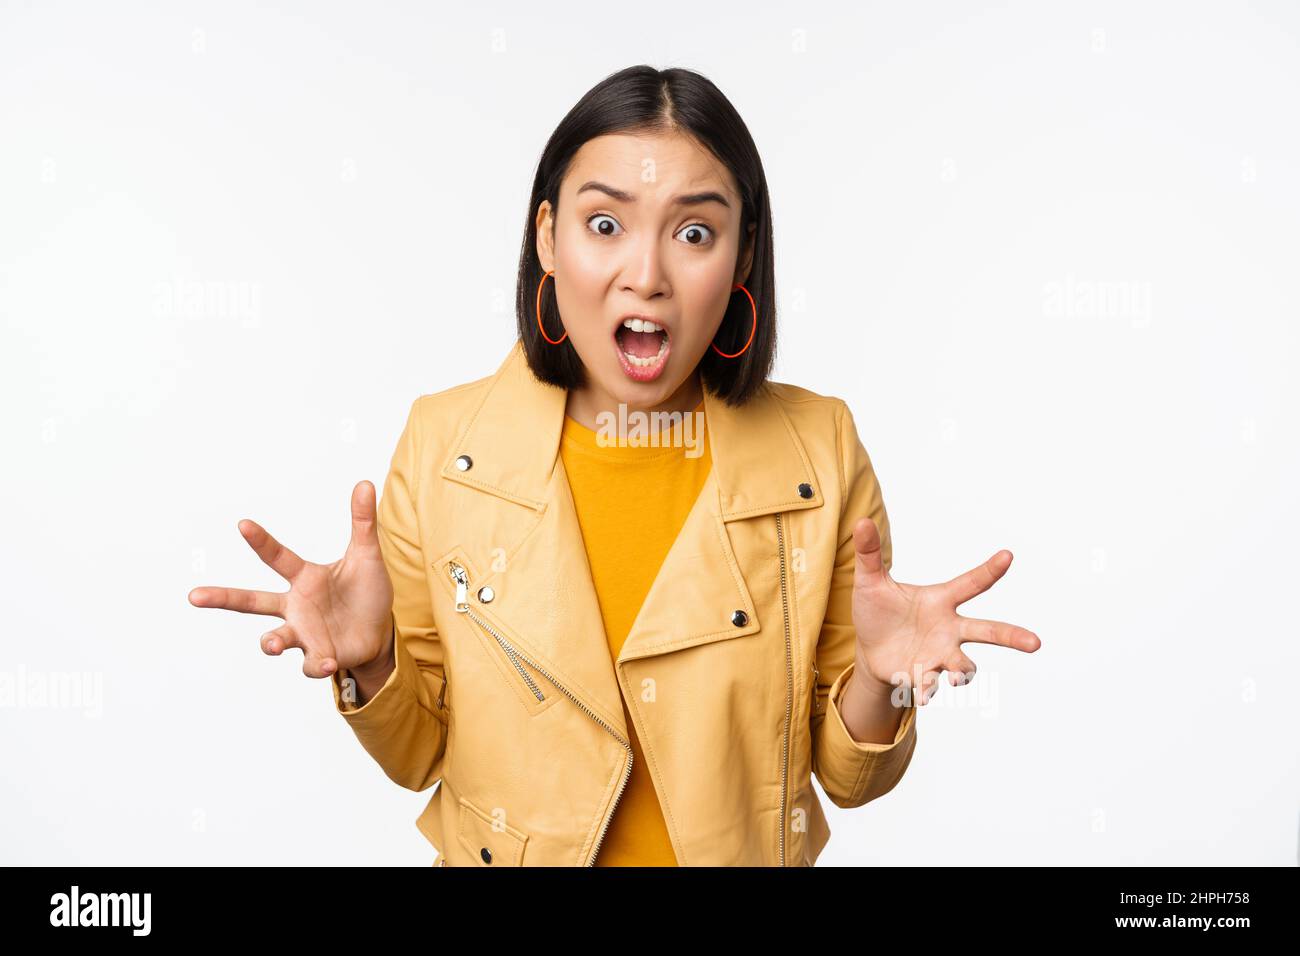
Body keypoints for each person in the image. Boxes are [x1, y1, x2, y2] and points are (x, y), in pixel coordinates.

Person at [188, 65, 1040, 866]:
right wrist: (369, 664)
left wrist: (886, 685)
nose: (646, 275)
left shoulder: (820, 448)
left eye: (696, 232)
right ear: (548, 238)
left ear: (743, 258)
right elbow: (418, 757)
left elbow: (852, 778)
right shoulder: (443, 444)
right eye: (605, 225)